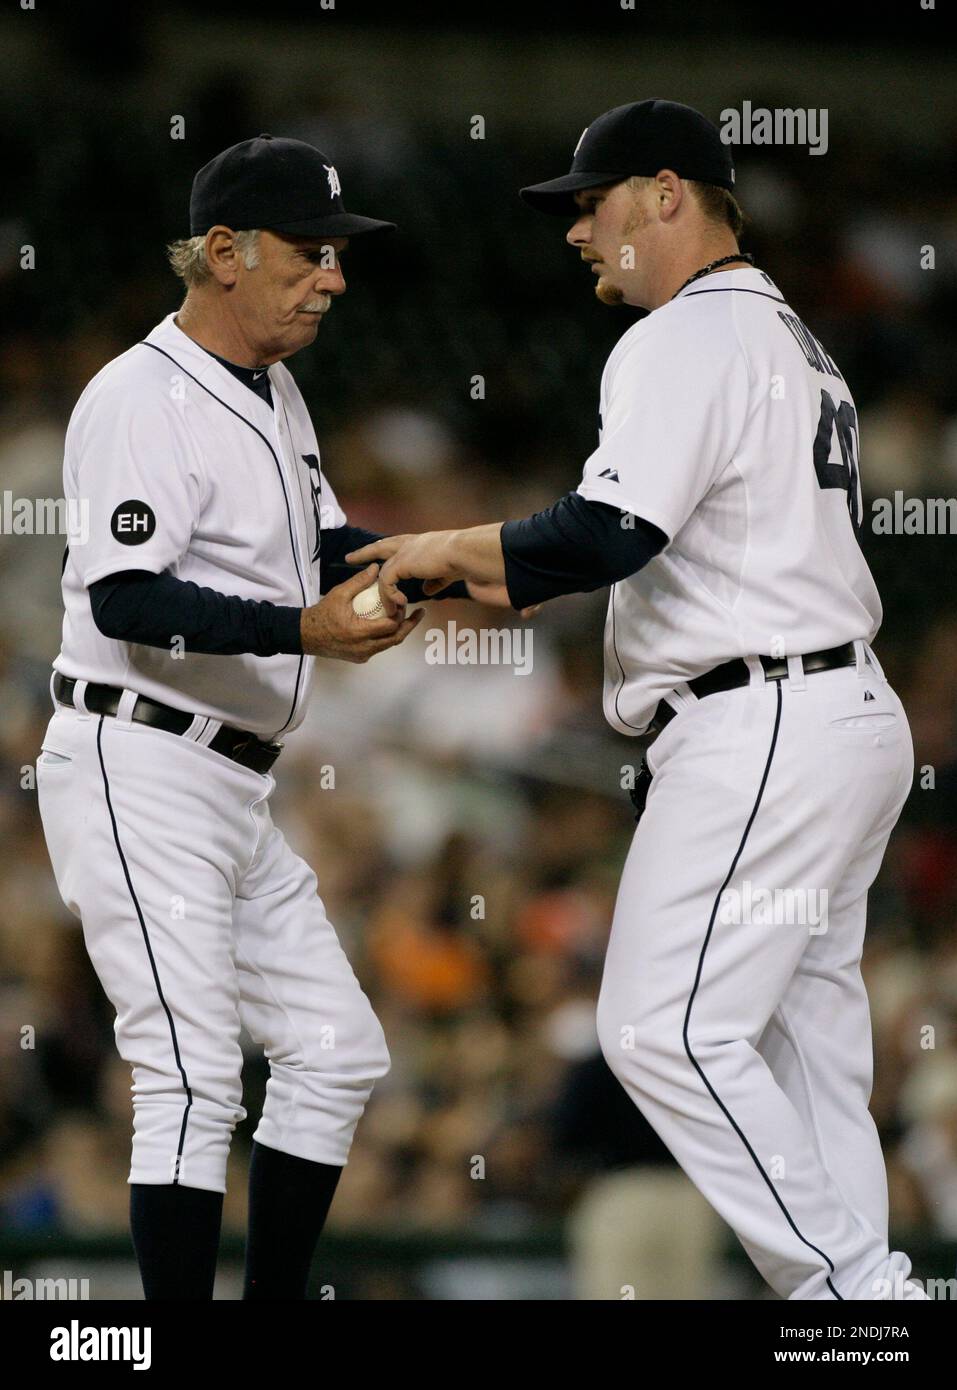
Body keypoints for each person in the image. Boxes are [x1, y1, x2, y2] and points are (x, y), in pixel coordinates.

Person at [347, 100, 930, 1300]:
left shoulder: (688, 333)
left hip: (760, 718)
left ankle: (857, 1299)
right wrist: (459, 561)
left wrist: (443, 548)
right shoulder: (787, 336)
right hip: (833, 712)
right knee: (799, 1046)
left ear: (667, 193)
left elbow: (604, 532)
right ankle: (858, 1311)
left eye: (590, 202)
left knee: (660, 1029)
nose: (574, 231)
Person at [35, 133, 510, 1302]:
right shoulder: (140, 395)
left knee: (338, 1052)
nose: (333, 277)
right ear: (221, 252)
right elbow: (128, 596)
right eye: (309, 253)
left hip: (230, 779)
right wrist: (305, 629)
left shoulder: (273, 388)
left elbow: (328, 547)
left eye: (336, 255)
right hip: (134, 756)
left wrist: (450, 558)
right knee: (190, 1079)